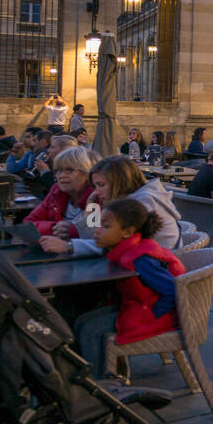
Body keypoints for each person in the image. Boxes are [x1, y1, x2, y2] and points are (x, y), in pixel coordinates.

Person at [72, 197, 186, 379]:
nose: (97, 231)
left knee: (90, 330)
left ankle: (103, 384)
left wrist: (153, 315)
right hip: (138, 306)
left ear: (127, 232)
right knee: (79, 322)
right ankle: (88, 374)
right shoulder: (124, 251)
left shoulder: (140, 259)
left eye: (106, 226)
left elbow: (173, 290)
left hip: (159, 316)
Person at [41, 155, 183, 255]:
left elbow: (113, 244)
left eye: (101, 185)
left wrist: (68, 246)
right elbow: (93, 235)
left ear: (120, 182)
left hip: (155, 271)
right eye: (95, 186)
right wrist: (91, 206)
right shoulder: (129, 199)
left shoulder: (142, 202)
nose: (96, 191)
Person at [24, 146, 96, 237]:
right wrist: (54, 228)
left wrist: (73, 231)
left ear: (87, 172)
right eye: (58, 170)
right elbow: (28, 224)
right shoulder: (56, 192)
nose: (61, 175)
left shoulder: (97, 197)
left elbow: (97, 235)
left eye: (69, 170)